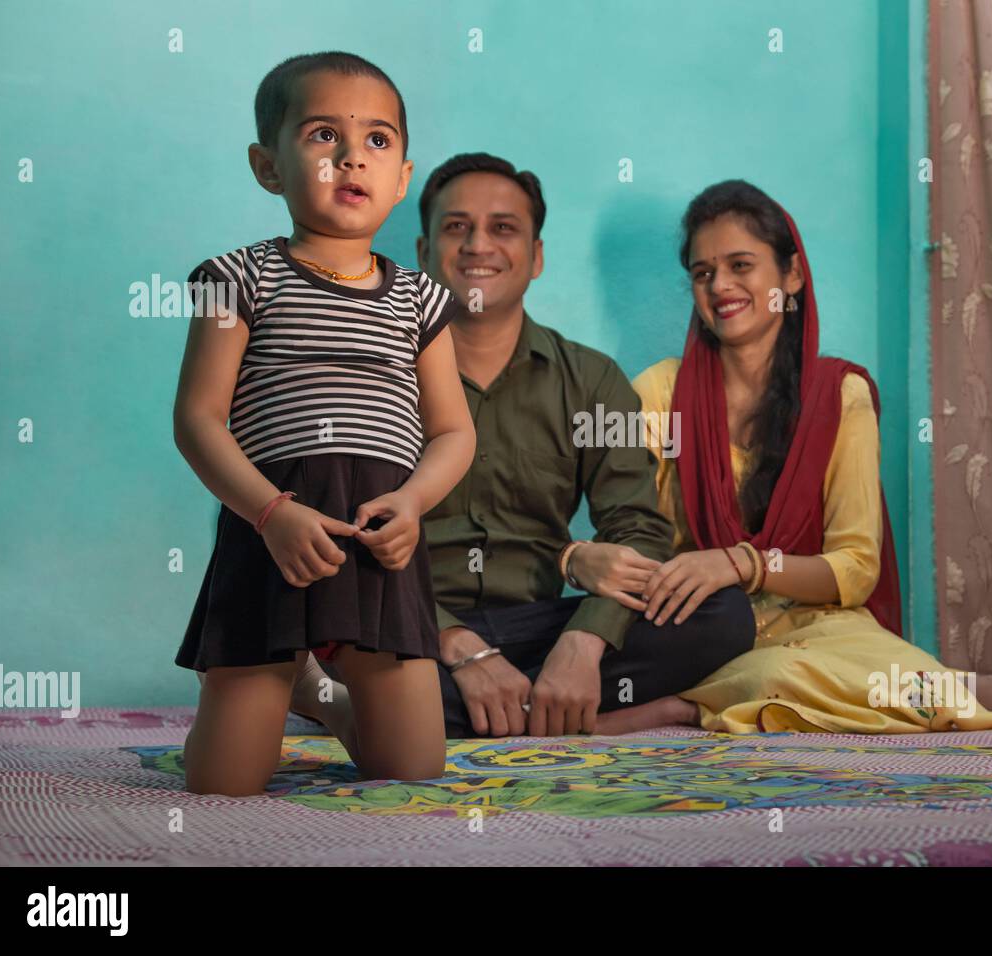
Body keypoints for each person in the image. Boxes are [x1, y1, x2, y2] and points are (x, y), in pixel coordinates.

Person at [288, 153, 755, 745]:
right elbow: (340, 537)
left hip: (539, 627)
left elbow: (635, 528)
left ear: (535, 258)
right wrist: (457, 646)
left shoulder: (591, 381)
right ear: (425, 255)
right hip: (404, 624)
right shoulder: (368, 373)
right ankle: (587, 718)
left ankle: (490, 709)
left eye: (503, 228)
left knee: (723, 616)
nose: (479, 245)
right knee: (325, 643)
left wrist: (583, 645)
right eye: (457, 227)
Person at [595, 180, 992, 735]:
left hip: (820, 627)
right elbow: (630, 532)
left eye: (740, 265)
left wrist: (743, 564)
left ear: (792, 276)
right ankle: (918, 683)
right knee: (762, 664)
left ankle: (691, 707)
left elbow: (854, 569)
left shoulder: (839, 395)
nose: (720, 286)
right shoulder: (660, 392)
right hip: (700, 623)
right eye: (703, 273)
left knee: (793, 668)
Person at [173, 52, 476, 795]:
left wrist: (412, 502)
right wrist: (270, 513)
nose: (351, 157)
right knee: (223, 785)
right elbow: (197, 419)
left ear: (403, 176)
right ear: (267, 165)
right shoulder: (239, 278)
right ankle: (281, 683)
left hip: (379, 543)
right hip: (271, 531)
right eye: (320, 135)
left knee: (412, 769)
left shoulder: (419, 300)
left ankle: (328, 693)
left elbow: (453, 433)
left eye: (377, 141)